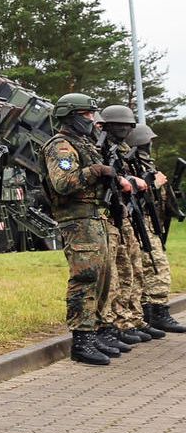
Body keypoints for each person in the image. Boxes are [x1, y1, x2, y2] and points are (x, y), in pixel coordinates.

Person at [41, 94, 127, 367]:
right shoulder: (61, 146)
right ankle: (82, 339)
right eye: (86, 114)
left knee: (103, 276)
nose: (91, 119)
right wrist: (96, 171)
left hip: (94, 218)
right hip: (77, 220)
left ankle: (95, 330)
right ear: (70, 115)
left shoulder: (83, 143)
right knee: (85, 278)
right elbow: (63, 183)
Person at [99, 105, 165, 343]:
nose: (124, 129)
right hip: (109, 217)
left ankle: (132, 319)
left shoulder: (119, 152)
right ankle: (119, 322)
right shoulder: (100, 150)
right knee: (118, 273)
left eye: (127, 126)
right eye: (119, 125)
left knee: (132, 270)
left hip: (124, 214)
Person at [128, 123, 185, 333]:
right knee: (156, 268)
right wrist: (155, 184)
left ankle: (152, 312)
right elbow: (136, 195)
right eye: (148, 142)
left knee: (152, 267)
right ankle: (156, 312)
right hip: (141, 224)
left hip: (152, 224)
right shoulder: (133, 165)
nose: (151, 145)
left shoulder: (144, 164)